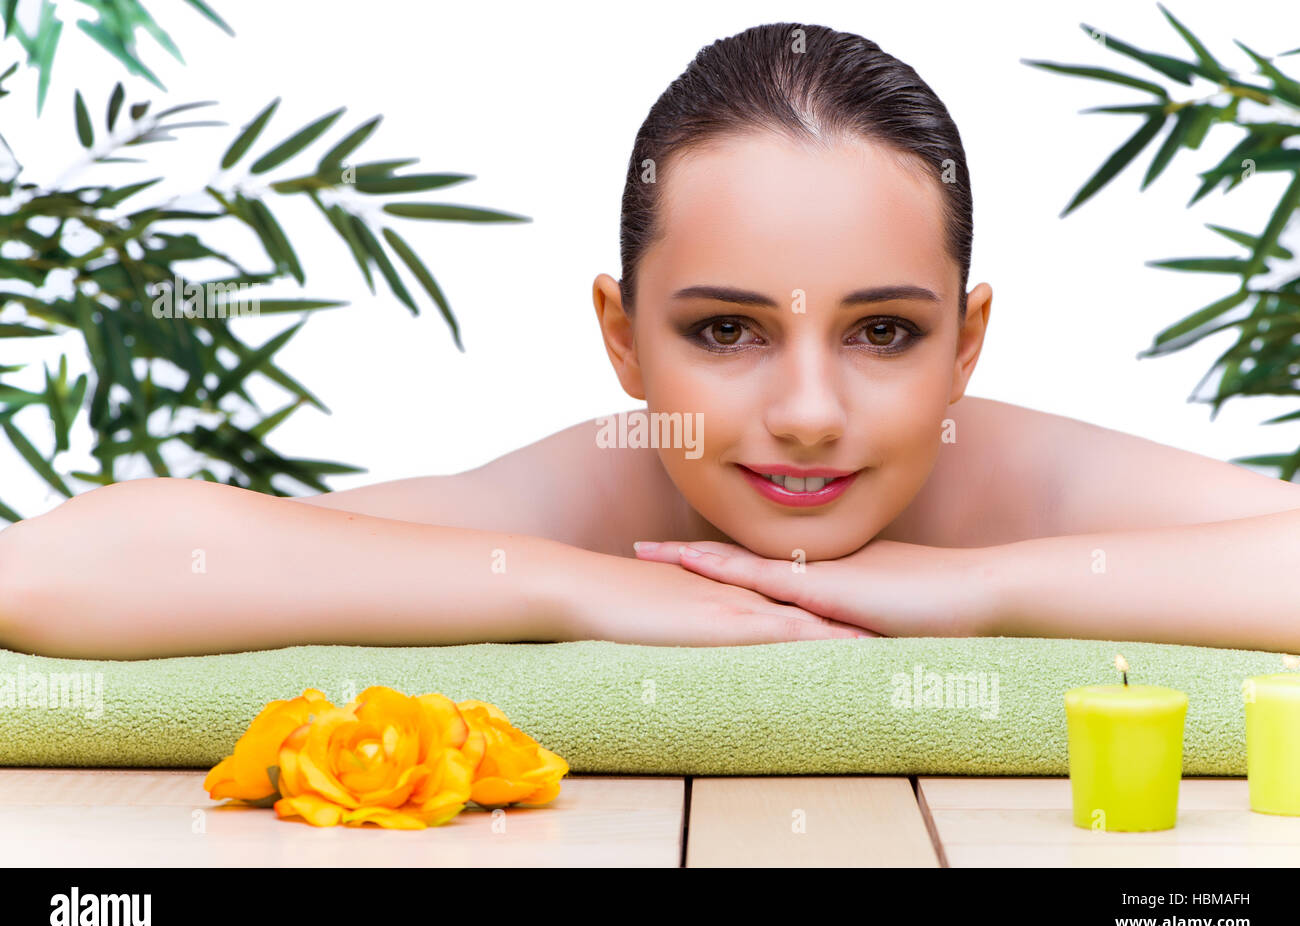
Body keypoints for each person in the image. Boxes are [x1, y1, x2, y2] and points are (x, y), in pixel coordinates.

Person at [3, 22, 1298, 661]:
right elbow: (53, 572)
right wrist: (574, 585)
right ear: (623, 341)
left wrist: (986, 586)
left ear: (966, 348)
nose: (804, 410)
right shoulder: (596, 492)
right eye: (726, 328)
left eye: (884, 331)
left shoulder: (1024, 488)